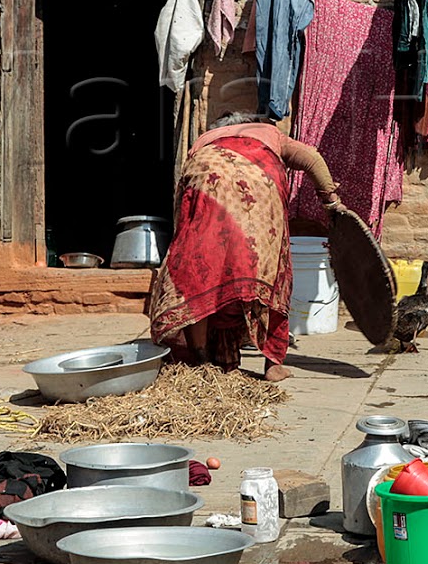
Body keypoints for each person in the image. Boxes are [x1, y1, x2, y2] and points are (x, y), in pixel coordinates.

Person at [146, 112, 343, 382]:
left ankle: (202, 359)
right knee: (266, 276)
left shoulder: (204, 142)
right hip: (259, 191)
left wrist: (185, 236)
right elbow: (311, 158)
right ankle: (273, 363)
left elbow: (183, 196)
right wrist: (331, 201)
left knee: (198, 278)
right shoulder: (269, 134)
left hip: (207, 187)